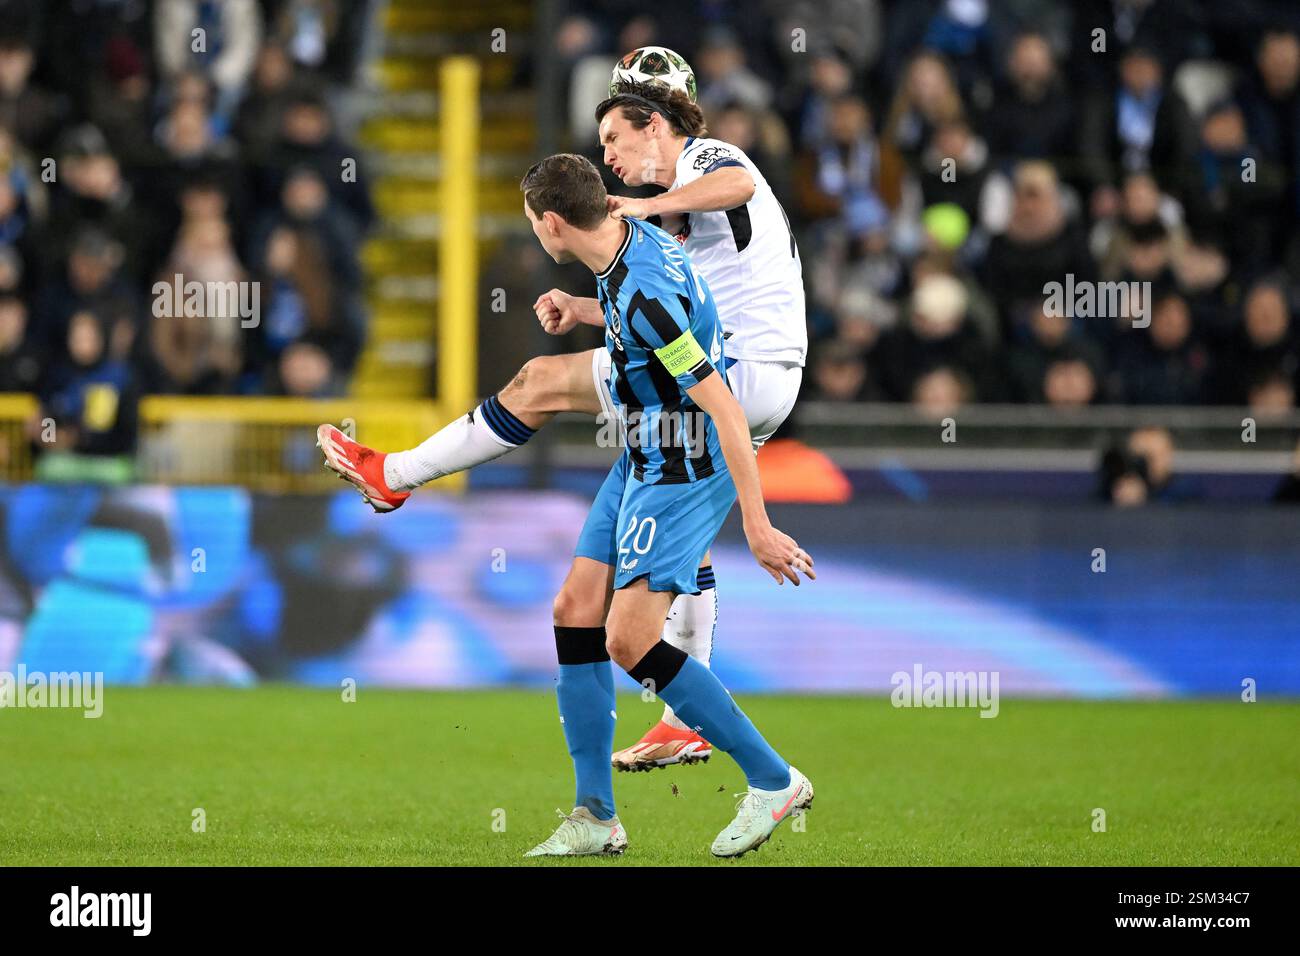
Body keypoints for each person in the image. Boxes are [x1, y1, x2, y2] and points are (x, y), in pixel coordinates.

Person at [320, 154, 815, 858]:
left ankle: (774, 781)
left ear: (552, 223)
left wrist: (757, 525)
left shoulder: (646, 290)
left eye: (531, 222)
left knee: (629, 641)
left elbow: (727, 411)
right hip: (647, 443)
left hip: (686, 457)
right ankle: (594, 815)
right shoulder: (624, 248)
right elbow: (647, 329)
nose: (533, 234)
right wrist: (582, 309)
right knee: (574, 609)